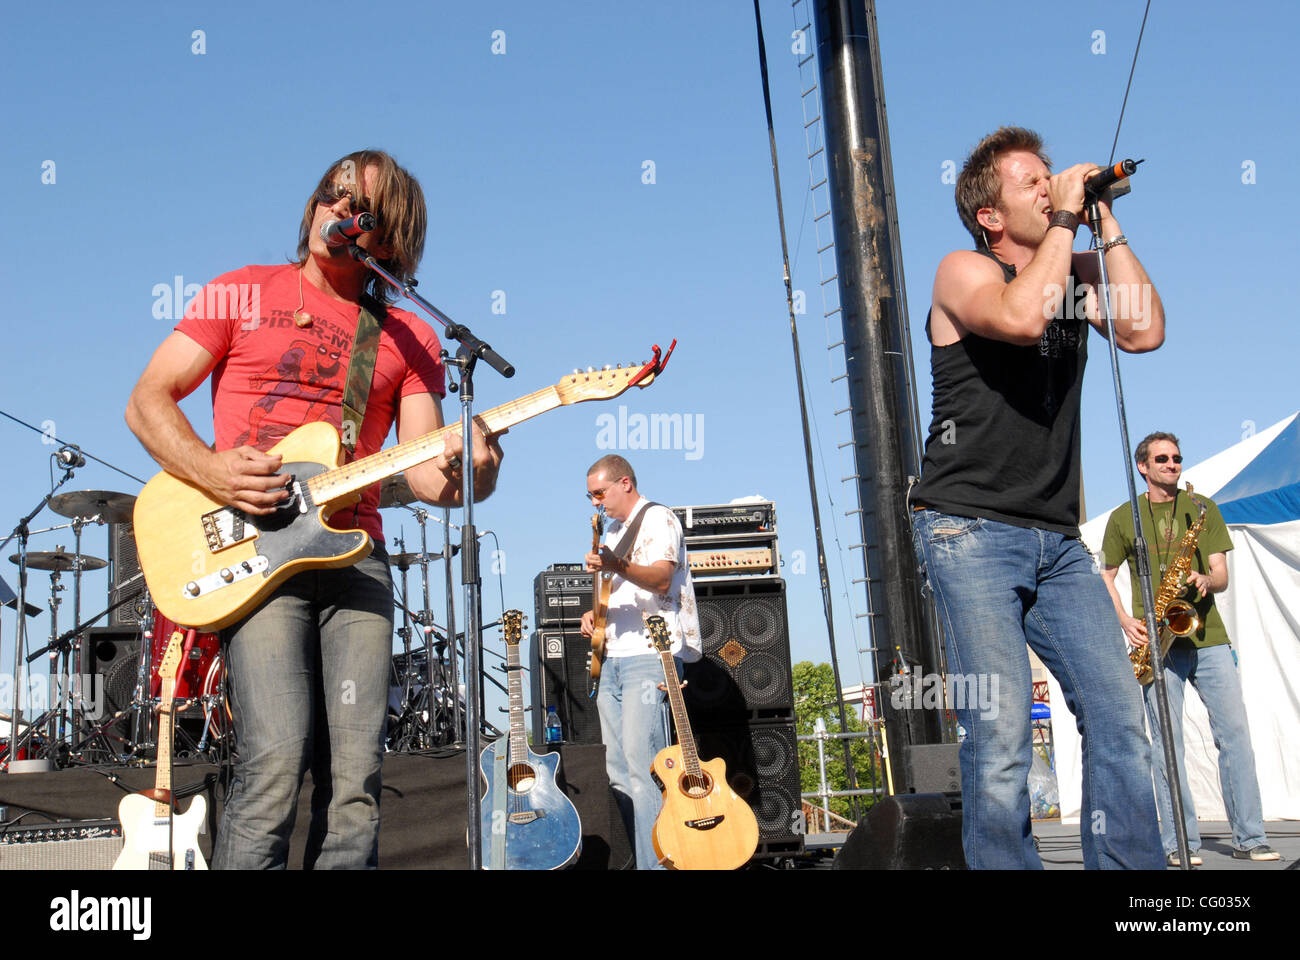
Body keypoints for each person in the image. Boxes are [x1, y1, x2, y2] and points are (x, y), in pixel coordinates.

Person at [125, 150, 504, 868]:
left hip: (355, 562)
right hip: (253, 550)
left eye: (359, 207)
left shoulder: (410, 337)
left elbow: (428, 477)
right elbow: (146, 401)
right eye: (331, 194)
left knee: (356, 783)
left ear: (388, 239)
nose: (338, 209)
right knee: (274, 763)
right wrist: (213, 470)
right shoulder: (241, 291)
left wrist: (476, 471)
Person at [909, 126, 1166, 869]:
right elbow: (1022, 318)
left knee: (1119, 716)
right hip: (968, 529)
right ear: (990, 215)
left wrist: (1104, 219)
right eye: (1031, 182)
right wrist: (1063, 222)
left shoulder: (1076, 269)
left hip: (1057, 539)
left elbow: (1144, 330)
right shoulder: (962, 270)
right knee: (1001, 728)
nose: (1050, 187)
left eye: (1051, 176)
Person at [1100, 432, 1279, 865]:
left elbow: (1220, 574)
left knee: (1235, 736)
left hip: (1206, 635)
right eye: (1162, 458)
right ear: (1143, 466)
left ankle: (1250, 837)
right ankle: (1180, 842)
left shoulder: (1203, 508)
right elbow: (1104, 573)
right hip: (1158, 640)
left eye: (1177, 458)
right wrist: (1125, 620)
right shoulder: (1125, 517)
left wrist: (1205, 581)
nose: (1172, 464)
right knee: (1167, 745)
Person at [579, 455, 700, 869]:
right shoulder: (610, 530)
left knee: (644, 765)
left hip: (650, 656)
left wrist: (616, 564)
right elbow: (613, 596)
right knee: (617, 770)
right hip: (611, 658)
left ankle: (657, 866)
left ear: (624, 483)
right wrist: (594, 615)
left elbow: (662, 579)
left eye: (600, 493)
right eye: (590, 495)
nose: (596, 502)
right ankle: (650, 856)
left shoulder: (658, 518)